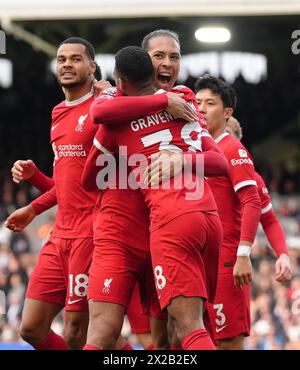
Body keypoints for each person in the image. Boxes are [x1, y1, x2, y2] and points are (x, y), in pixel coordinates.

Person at [82, 45, 228, 350]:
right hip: (206, 216)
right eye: (160, 56)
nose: (168, 63)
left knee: (187, 328)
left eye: (174, 56)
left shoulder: (118, 117)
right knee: (183, 330)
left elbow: (89, 176)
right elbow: (219, 163)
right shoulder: (183, 101)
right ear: (150, 68)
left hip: (168, 220)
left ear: (120, 81)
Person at [5, 37, 132, 350]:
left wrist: (113, 96)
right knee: (31, 328)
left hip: (92, 235)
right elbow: (67, 186)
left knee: (80, 331)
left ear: (92, 66)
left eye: (76, 59)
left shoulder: (104, 106)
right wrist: (34, 197)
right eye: (62, 59)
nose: (67, 65)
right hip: (60, 235)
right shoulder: (58, 113)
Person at [192, 74, 263, 350]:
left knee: (227, 343)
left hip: (226, 263)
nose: (201, 109)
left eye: (210, 103)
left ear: (227, 112)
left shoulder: (233, 149)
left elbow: (252, 201)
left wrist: (243, 255)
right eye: (197, 102)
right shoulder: (194, 150)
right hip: (199, 262)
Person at [226, 117, 291, 283]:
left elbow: (269, 219)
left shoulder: (253, 178)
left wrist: (283, 254)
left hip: (231, 265)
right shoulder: (197, 168)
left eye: (228, 136)